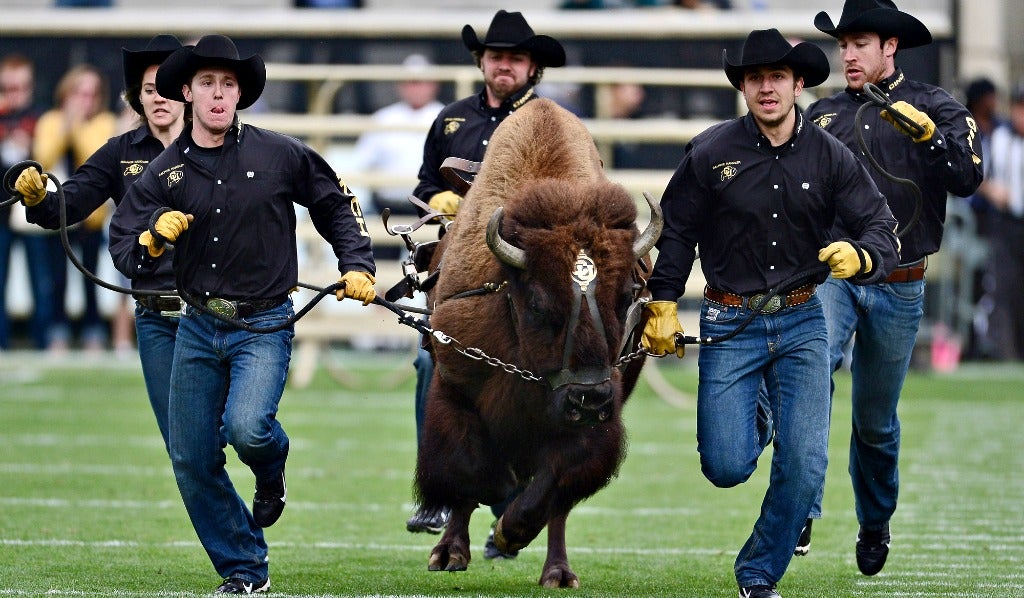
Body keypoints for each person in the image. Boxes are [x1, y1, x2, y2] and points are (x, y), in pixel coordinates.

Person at [108, 34, 376, 594]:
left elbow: (334, 201)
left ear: (240, 96)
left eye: (228, 85)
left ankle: (271, 464)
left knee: (248, 429)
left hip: (264, 323)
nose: (217, 94)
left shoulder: (278, 153)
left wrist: (357, 264)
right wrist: (153, 242)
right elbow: (123, 249)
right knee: (190, 455)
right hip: (198, 325)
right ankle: (245, 569)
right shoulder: (162, 172)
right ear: (186, 92)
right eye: (206, 83)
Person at [641, 29, 899, 598]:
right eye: (755, 78)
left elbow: (881, 227)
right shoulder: (709, 152)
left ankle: (759, 572)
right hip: (730, 322)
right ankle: (758, 413)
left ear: (798, 83)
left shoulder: (832, 156)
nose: (767, 88)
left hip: (805, 318)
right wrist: (662, 300)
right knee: (726, 466)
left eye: (777, 77)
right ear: (743, 86)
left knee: (805, 467)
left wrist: (863, 254)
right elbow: (677, 231)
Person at [802, 0, 984, 572]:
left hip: (901, 284)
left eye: (860, 44)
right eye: (843, 45)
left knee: (875, 422)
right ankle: (799, 504)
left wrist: (932, 139)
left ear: (890, 48)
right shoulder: (821, 115)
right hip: (835, 276)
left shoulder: (936, 105)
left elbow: (970, 178)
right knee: (813, 370)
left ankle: (874, 520)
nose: (848, 55)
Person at [405, 10, 565, 560]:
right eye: (496, 56)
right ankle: (442, 493)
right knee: (433, 363)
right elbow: (425, 184)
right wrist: (438, 201)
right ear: (481, 61)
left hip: (529, 282)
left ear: (532, 68)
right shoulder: (451, 121)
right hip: (461, 273)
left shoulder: (551, 127)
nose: (505, 65)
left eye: (516, 58)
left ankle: (515, 500)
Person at [13, 35, 185, 448]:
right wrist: (40, 199)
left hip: (214, 310)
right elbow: (71, 202)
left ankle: (266, 462)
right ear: (138, 99)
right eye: (148, 90)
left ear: (186, 93)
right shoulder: (119, 152)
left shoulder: (215, 147)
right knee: (184, 448)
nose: (158, 98)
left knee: (240, 428)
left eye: (166, 88)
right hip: (155, 315)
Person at [33, 64, 117, 352]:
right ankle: (57, 332)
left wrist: (76, 126)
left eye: (91, 94)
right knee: (56, 279)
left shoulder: (104, 121)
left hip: (90, 217)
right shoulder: (49, 121)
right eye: (79, 92)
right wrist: (64, 128)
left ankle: (93, 331)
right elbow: (41, 159)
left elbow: (94, 158)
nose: (85, 100)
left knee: (90, 277)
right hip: (57, 215)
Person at [0, 53, 54, 351]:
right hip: (2, 213)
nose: (15, 94)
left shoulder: (41, 116)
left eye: (20, 87)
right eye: (9, 88)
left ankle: (44, 341)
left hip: (32, 210)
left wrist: (29, 148)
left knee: (41, 281)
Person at [351, 53, 442, 219]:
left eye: (421, 82)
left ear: (433, 85)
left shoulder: (445, 118)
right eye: (410, 82)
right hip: (387, 207)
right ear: (400, 85)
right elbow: (362, 164)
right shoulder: (382, 118)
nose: (415, 88)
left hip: (431, 209)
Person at [974, 84, 1024, 360]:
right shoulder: (1000, 138)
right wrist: (993, 190)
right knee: (1005, 287)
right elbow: (979, 176)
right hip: (1006, 224)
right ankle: (1008, 353)